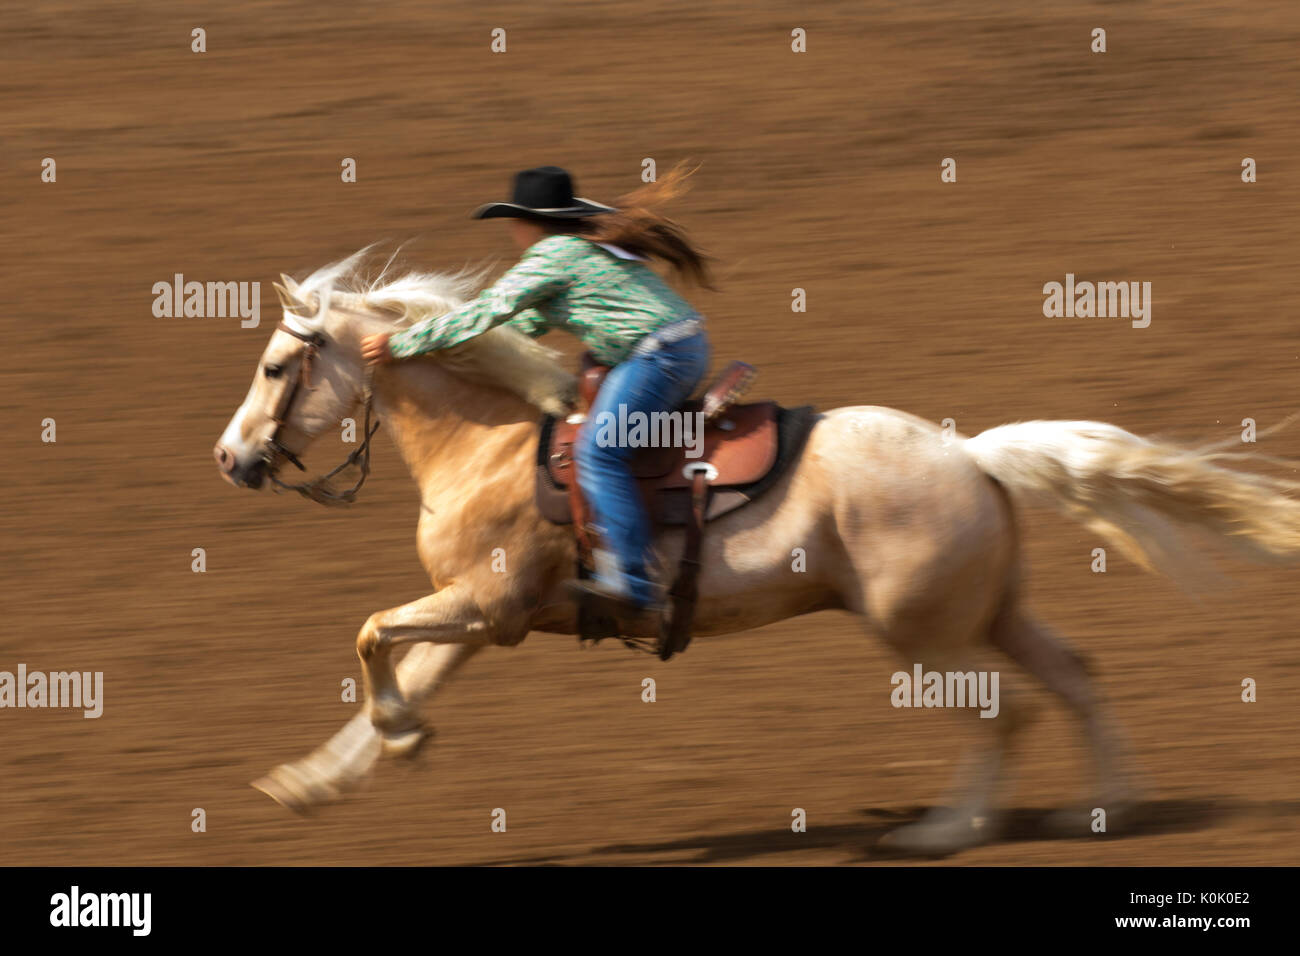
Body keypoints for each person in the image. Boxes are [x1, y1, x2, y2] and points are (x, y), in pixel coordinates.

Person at [361, 164, 713, 616]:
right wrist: (451, 356)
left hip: (661, 354)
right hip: (677, 345)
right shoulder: (580, 252)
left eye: (514, 221)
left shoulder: (553, 256)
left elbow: (490, 310)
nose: (511, 231)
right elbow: (521, 327)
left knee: (599, 451)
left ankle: (632, 582)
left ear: (529, 222)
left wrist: (404, 343)